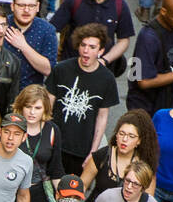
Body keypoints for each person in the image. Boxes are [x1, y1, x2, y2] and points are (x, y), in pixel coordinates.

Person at [48, 24, 119, 175]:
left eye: (92, 47)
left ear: (101, 51)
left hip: (81, 150)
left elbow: (102, 116)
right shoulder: (61, 69)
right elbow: (48, 106)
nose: (86, 50)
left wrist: (93, 151)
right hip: (55, 144)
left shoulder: (107, 79)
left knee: (72, 194)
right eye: (83, 45)